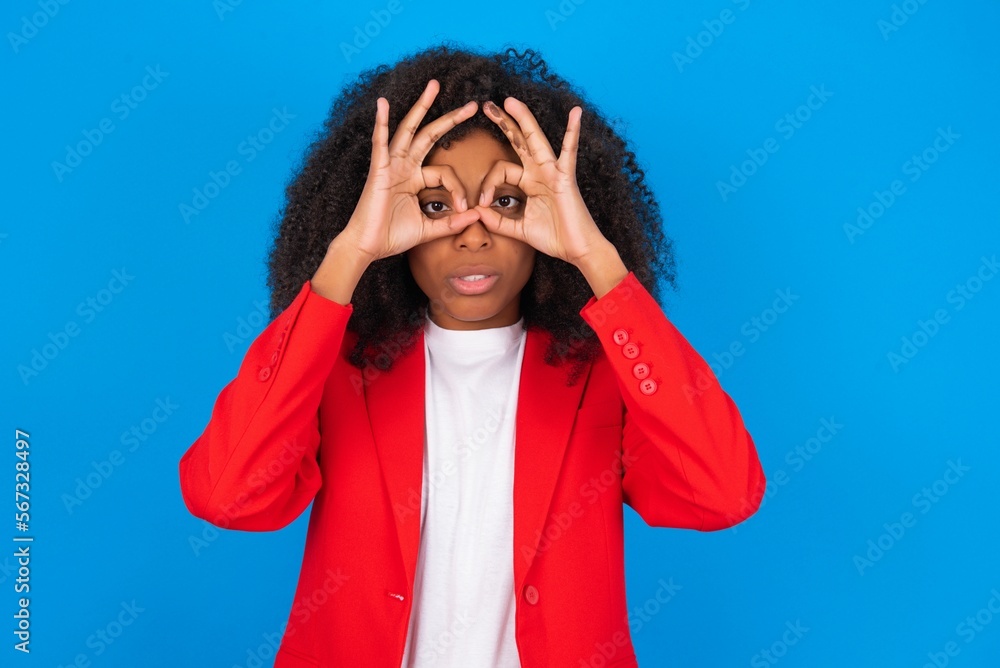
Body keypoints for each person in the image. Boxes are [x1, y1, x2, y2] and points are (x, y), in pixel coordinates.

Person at [178, 43, 766, 668]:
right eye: (436, 205)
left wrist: (597, 260)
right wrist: (349, 253)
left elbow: (722, 493)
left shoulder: (606, 371)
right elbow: (228, 496)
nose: (473, 231)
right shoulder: (335, 366)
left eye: (505, 201)